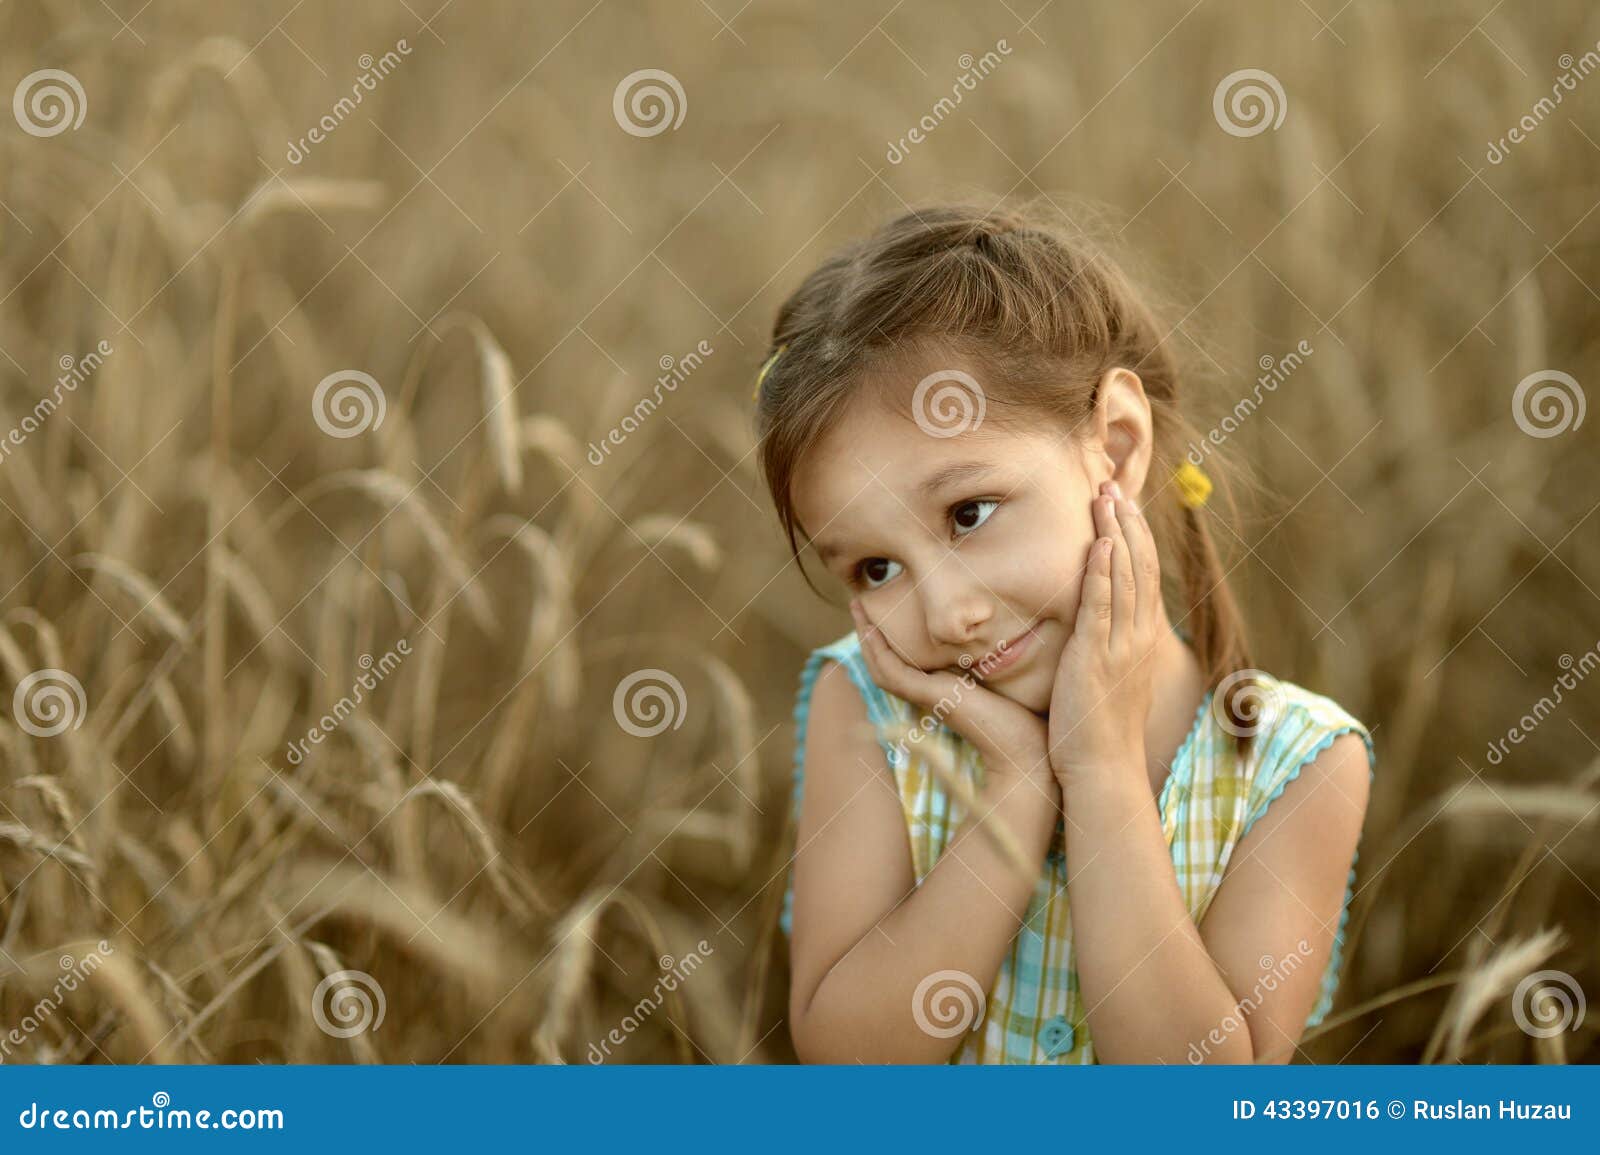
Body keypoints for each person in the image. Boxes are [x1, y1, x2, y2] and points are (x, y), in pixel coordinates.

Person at [753, 200, 1376, 1064]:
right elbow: (850, 1063)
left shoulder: (1295, 762)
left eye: (969, 513)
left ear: (1115, 447)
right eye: (875, 569)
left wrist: (1101, 768)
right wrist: (1014, 786)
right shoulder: (866, 708)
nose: (947, 614)